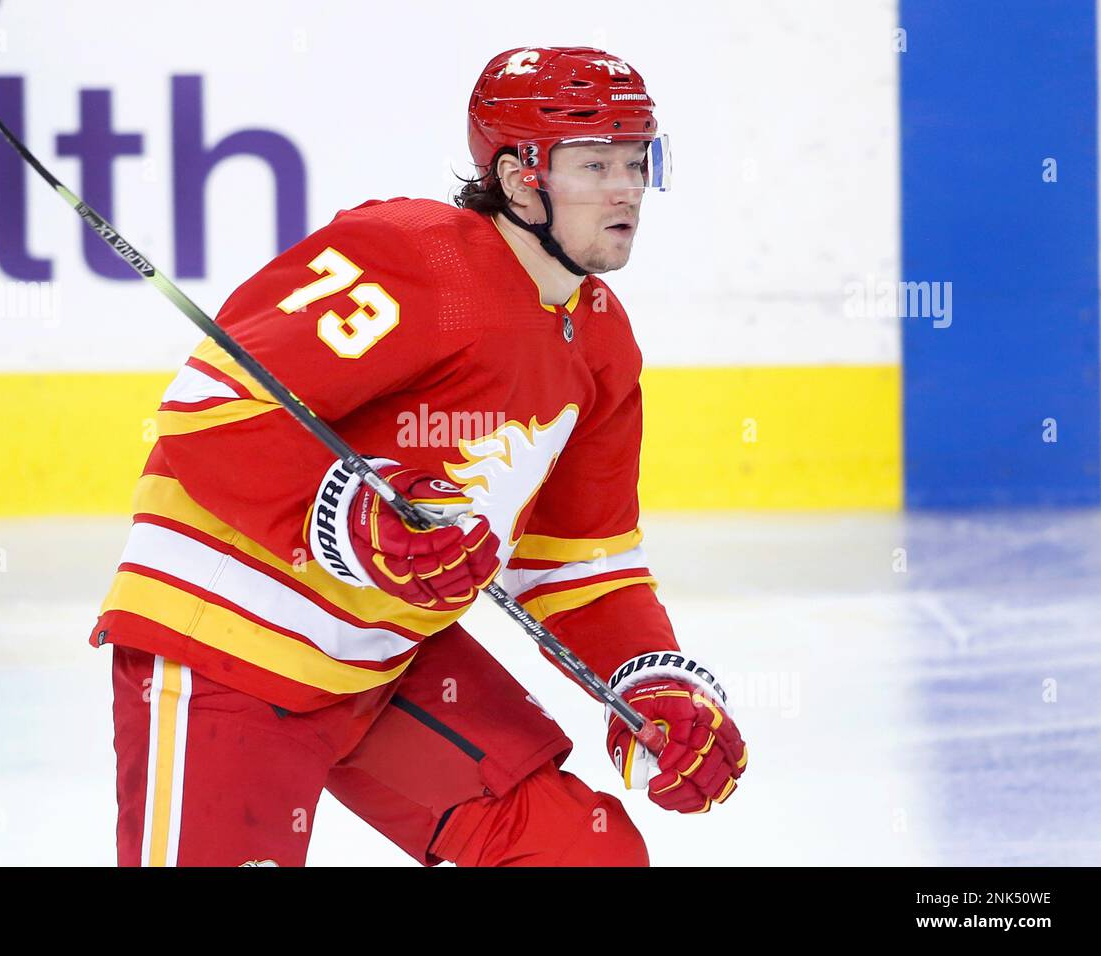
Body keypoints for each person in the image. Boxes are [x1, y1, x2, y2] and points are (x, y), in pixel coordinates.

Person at [89, 45, 748, 867]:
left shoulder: (601, 338)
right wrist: (358, 518)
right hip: (230, 649)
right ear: (517, 178)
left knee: (579, 853)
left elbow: (577, 562)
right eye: (594, 164)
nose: (625, 189)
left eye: (635, 160)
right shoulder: (413, 258)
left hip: (383, 661)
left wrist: (648, 682)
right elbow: (211, 416)